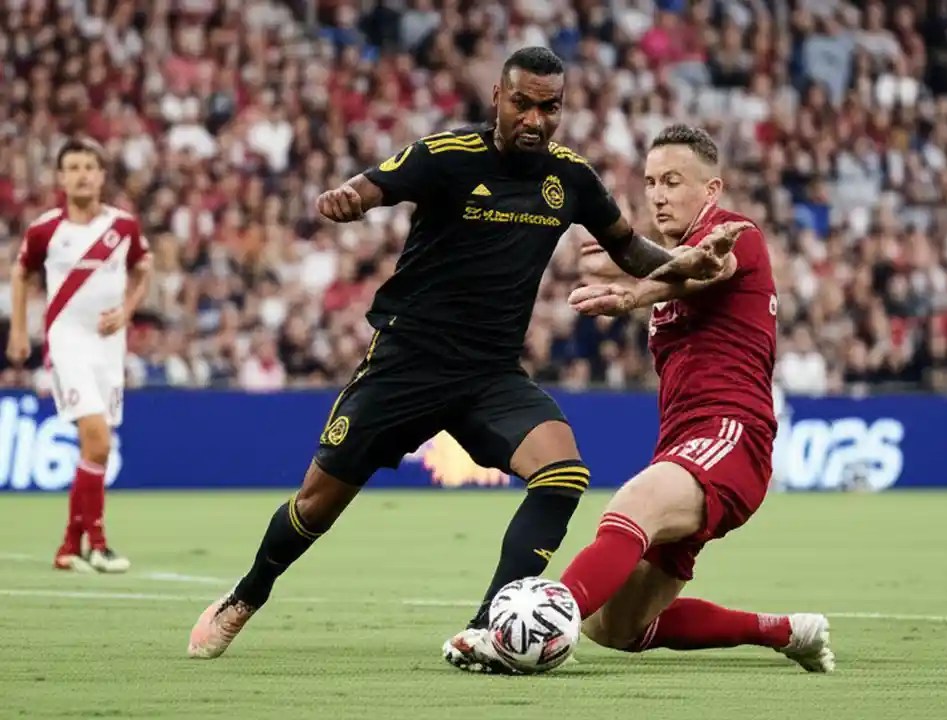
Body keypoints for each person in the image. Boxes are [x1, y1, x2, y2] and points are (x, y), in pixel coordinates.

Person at [187, 48, 731, 660]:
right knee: (316, 503)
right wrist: (348, 198)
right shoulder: (447, 156)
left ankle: (489, 628)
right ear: (498, 98)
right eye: (522, 103)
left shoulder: (570, 179)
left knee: (564, 473)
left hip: (489, 375)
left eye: (548, 108)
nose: (534, 118)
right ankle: (246, 595)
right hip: (405, 365)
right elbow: (374, 184)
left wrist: (688, 264)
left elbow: (629, 249)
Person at [452, 124, 834, 674]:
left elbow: (703, 268)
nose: (657, 193)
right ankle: (785, 632)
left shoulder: (736, 233)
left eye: (673, 181)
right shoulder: (668, 258)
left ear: (711, 190)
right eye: (651, 181)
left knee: (630, 509)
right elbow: (673, 267)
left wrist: (631, 292)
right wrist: (618, 268)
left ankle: (521, 637)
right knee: (617, 627)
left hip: (729, 435)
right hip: (682, 444)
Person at [7, 138, 152, 574]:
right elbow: (20, 272)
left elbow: (143, 269)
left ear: (102, 174)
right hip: (67, 341)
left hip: (109, 347)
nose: (82, 174)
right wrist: (18, 329)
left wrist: (126, 311)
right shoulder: (46, 230)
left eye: (90, 165)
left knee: (96, 450)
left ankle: (68, 548)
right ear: (60, 177)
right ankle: (97, 545)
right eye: (73, 167)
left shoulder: (123, 226)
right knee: (98, 439)